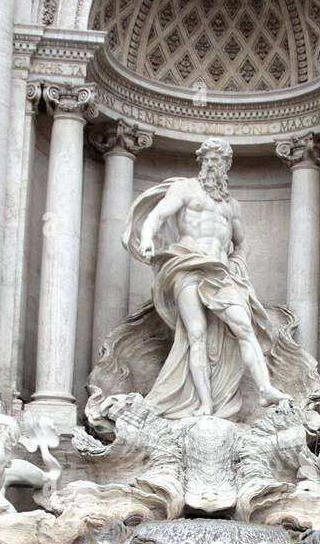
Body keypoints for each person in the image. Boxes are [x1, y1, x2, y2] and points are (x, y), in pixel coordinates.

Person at [122, 137, 303, 420]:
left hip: (219, 273)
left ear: (226, 165)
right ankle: (205, 405)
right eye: (207, 159)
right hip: (187, 265)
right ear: (200, 162)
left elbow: (242, 242)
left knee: (243, 326)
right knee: (196, 335)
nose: (212, 164)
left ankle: (266, 388)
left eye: (218, 160)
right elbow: (157, 216)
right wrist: (147, 240)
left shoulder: (231, 206)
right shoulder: (185, 190)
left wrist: (237, 264)